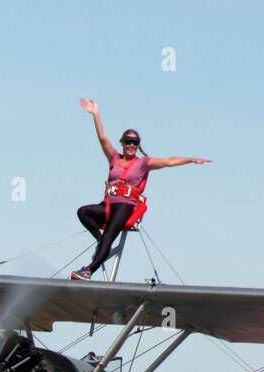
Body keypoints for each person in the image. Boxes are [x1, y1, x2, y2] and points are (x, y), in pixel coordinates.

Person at [71, 99, 210, 280]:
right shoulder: (114, 158)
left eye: (135, 142)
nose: (131, 145)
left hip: (125, 205)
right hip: (108, 204)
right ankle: (100, 244)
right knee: (83, 212)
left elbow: (168, 161)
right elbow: (102, 138)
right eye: (128, 141)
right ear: (122, 143)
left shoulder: (143, 163)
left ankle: (88, 270)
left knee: (109, 237)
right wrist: (95, 115)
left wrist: (191, 159)